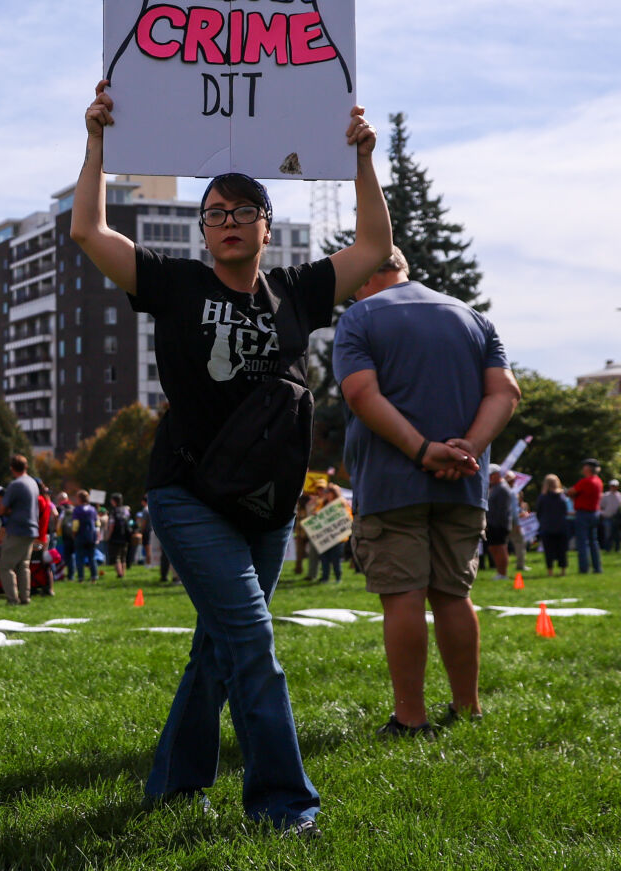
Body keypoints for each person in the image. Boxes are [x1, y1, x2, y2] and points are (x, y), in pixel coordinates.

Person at [73, 79, 391, 834]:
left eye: (240, 210)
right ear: (201, 227)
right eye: (213, 212)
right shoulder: (173, 283)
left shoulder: (296, 292)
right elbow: (88, 232)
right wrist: (95, 143)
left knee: (218, 648)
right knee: (250, 638)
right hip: (188, 490)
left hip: (268, 505)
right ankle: (284, 804)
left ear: (264, 224)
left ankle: (174, 784)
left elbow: (374, 247)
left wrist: (362, 158)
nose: (226, 222)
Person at [333, 242, 517, 737]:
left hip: (392, 482)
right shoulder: (473, 318)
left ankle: (410, 718)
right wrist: (468, 449)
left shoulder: (359, 319)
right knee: (454, 595)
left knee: (403, 596)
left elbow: (360, 393)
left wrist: (420, 450)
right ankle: (468, 708)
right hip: (464, 482)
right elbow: (506, 392)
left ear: (364, 277)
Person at [0, 457, 41, 606]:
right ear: (26, 466)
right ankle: (25, 597)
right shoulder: (33, 482)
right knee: (23, 565)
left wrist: (8, 512)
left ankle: (12, 599)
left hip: (17, 529)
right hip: (31, 529)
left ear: (12, 468)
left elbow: (2, 508)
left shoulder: (16, 485)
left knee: (6, 566)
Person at [569, 460, 605, 574]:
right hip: (594, 513)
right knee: (593, 541)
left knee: (582, 542)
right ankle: (597, 567)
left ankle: (584, 568)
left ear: (588, 469)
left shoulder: (585, 481)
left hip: (583, 513)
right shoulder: (599, 481)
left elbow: (571, 492)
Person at [536, 476, 571, 576]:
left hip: (547, 527)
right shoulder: (562, 497)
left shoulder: (543, 497)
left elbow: (539, 512)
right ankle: (563, 570)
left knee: (548, 551)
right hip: (561, 526)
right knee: (562, 550)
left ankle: (550, 571)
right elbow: (565, 511)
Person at [483, 468, 514, 580]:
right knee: (493, 548)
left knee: (500, 547)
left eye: (491, 475)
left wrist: (494, 523)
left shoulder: (502, 488)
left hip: (499, 524)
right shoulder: (496, 487)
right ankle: (499, 572)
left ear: (496, 475)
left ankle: (503, 573)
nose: (489, 478)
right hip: (493, 523)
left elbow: (501, 510)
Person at [71, 492, 101, 581]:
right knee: (92, 558)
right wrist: (97, 536)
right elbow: (97, 523)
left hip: (80, 536)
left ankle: (81, 577)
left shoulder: (77, 510)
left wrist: (74, 534)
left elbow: (75, 524)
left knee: (79, 557)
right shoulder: (93, 509)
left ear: (80, 499)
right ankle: (94, 577)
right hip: (91, 536)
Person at [599, 479, 621, 553]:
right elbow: (601, 506)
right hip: (608, 517)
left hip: (617, 518)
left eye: (615, 486)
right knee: (608, 534)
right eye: (612, 486)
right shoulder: (605, 495)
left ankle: (617, 548)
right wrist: (603, 514)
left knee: (617, 534)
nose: (614, 487)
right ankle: (607, 548)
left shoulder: (620, 495)